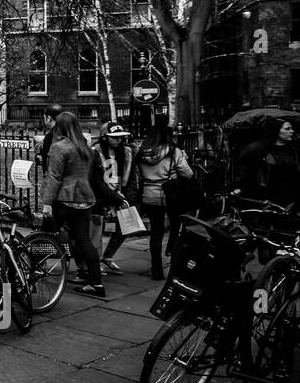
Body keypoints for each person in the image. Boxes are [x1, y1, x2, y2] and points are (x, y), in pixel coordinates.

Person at [40, 112, 104, 297]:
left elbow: (54, 177)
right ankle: (96, 283)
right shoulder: (86, 148)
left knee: (45, 235)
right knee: (84, 241)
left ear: (59, 126)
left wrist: (46, 202)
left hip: (65, 198)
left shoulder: (60, 147)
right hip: (84, 199)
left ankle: (31, 274)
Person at [130, 120, 194, 281]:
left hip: (148, 195)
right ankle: (174, 262)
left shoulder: (141, 153)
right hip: (171, 196)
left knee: (156, 233)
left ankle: (157, 269)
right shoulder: (174, 152)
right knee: (175, 229)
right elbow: (188, 174)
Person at [237, 117, 300, 211]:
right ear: (276, 130)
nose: (292, 131)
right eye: (287, 128)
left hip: (292, 201)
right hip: (269, 201)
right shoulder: (257, 150)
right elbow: (247, 177)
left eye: (291, 128)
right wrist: (257, 198)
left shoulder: (295, 150)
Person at [92, 121, 133, 274]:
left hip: (120, 197)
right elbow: (96, 181)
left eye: (121, 137)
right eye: (114, 137)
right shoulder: (96, 152)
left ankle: (108, 257)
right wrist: (114, 197)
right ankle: (96, 263)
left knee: (125, 228)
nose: (118, 140)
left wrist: (127, 199)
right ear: (104, 137)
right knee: (97, 233)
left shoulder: (127, 153)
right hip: (102, 198)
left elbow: (131, 178)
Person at [35, 103, 65, 170]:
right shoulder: (69, 131)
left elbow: (47, 159)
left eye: (44, 117)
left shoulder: (51, 136)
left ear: (49, 118)